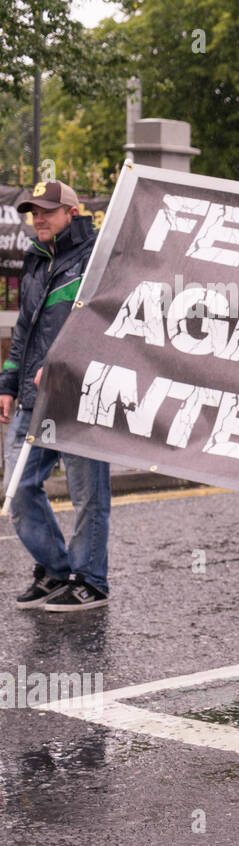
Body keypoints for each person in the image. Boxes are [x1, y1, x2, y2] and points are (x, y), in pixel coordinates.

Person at [0, 180, 110, 611]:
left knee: (88, 495)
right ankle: (55, 569)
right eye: (32, 212)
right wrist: (8, 385)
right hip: (34, 397)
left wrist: (63, 361)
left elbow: (107, 320)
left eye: (47, 211)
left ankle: (91, 580)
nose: (38, 219)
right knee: (18, 487)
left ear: (71, 211)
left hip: (81, 395)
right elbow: (25, 331)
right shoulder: (35, 259)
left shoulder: (95, 256)